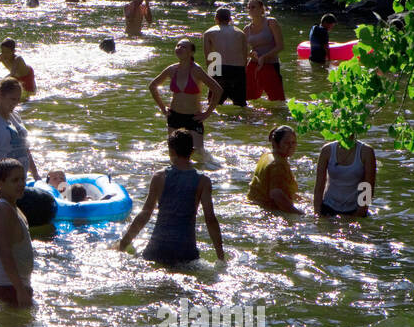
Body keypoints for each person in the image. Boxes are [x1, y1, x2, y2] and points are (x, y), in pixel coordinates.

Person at [115, 129, 225, 264]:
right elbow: (210, 219)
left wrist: (123, 244)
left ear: (170, 151)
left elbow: (145, 214)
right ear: (192, 151)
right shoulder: (203, 181)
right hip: (185, 252)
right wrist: (221, 256)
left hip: (156, 250)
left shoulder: (159, 177)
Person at [148, 39, 222, 153]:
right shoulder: (171, 69)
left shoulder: (196, 70)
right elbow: (152, 86)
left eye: (183, 47)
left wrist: (207, 113)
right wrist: (163, 108)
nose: (179, 48)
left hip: (192, 118)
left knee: (198, 153)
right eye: (177, 46)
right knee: (174, 153)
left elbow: (217, 90)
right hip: (174, 116)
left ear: (191, 52)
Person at [0, 158, 34, 308]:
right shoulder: (3, 210)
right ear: (0, 183)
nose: (21, 184)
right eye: (14, 180)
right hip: (7, 289)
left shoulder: (11, 206)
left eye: (22, 179)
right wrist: (20, 290)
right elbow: (5, 252)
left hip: (12, 286)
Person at [0, 78, 40, 181]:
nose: (16, 103)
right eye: (13, 99)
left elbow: (25, 149)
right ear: (0, 96)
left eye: (18, 99)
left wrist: (36, 175)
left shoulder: (15, 115)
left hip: (20, 180)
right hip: (2, 181)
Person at [314, 136, 376, 218]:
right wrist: (318, 213)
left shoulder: (366, 151)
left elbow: (368, 188)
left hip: (355, 209)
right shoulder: (327, 150)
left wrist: (360, 213)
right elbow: (319, 185)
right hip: (328, 207)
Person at [201, 7, 249, 107]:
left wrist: (210, 75)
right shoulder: (240, 33)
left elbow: (209, 57)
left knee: (213, 103)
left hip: (219, 67)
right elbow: (245, 56)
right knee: (240, 105)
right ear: (230, 19)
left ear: (216, 18)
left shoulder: (209, 33)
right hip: (238, 69)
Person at [248, 125, 302, 213]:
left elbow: (280, 188)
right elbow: (276, 194)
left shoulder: (267, 155)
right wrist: (299, 214)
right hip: (267, 211)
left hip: (255, 204)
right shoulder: (278, 164)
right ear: (276, 143)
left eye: (293, 142)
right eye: (287, 143)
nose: (291, 146)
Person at [245, 0, 286, 102]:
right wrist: (251, 54)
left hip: (270, 64)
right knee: (249, 100)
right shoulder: (247, 29)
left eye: (253, 7)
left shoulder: (271, 22)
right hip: (253, 66)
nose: (250, 10)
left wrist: (264, 57)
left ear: (261, 9)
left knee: (278, 101)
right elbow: (244, 51)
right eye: (248, 7)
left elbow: (280, 46)